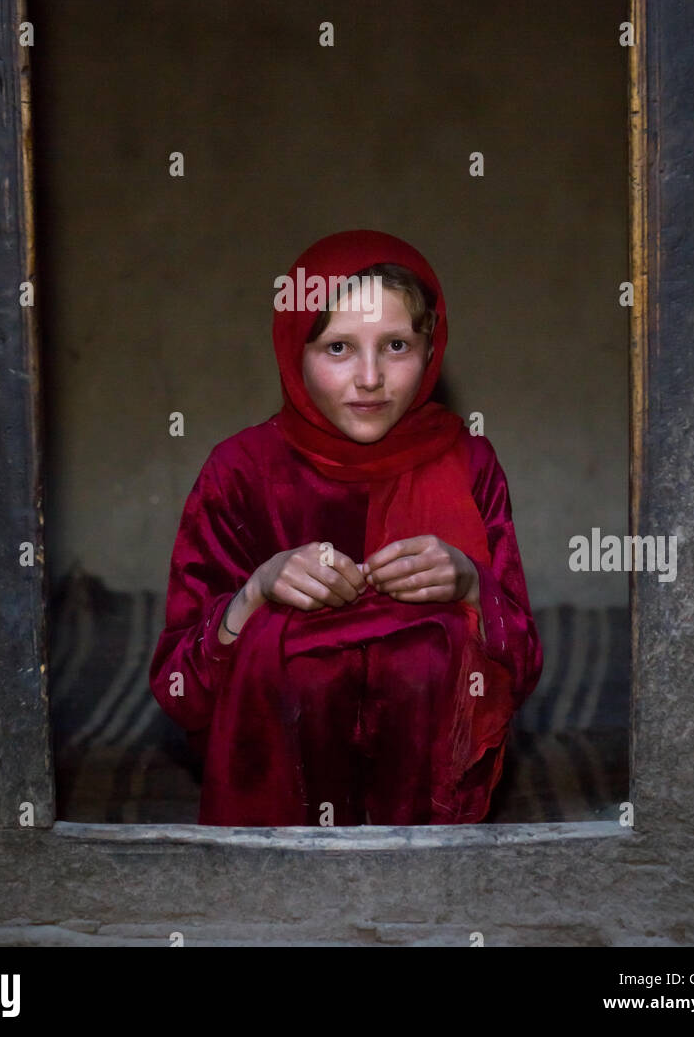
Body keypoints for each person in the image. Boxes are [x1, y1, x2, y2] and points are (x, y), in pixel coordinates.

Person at [149, 229, 542, 826]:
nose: (369, 378)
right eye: (337, 348)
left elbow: (524, 664)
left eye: (395, 345)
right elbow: (181, 690)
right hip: (277, 840)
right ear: (292, 350)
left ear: (431, 348)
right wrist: (256, 592)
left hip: (430, 845)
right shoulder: (240, 474)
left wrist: (470, 585)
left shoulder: (467, 464)